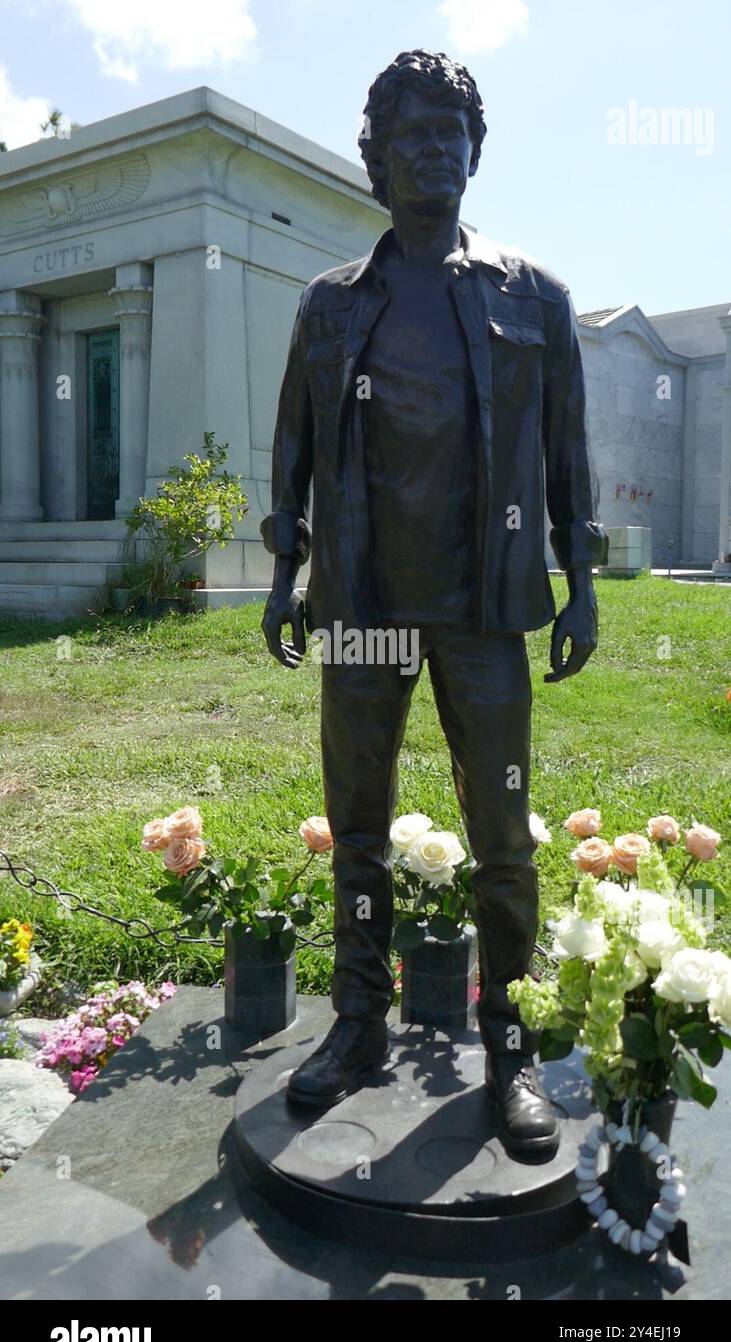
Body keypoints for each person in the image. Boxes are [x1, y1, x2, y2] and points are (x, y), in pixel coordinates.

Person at [261, 50, 607, 1157]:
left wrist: (580, 586)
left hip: (486, 608)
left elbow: (565, 458)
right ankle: (356, 1026)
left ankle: (511, 1051)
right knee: (357, 830)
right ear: (376, 156)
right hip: (360, 605)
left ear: (473, 150)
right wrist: (284, 575)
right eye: (410, 133)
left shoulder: (532, 299)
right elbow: (292, 450)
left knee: (501, 834)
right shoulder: (329, 307)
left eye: (449, 132)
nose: (432, 150)